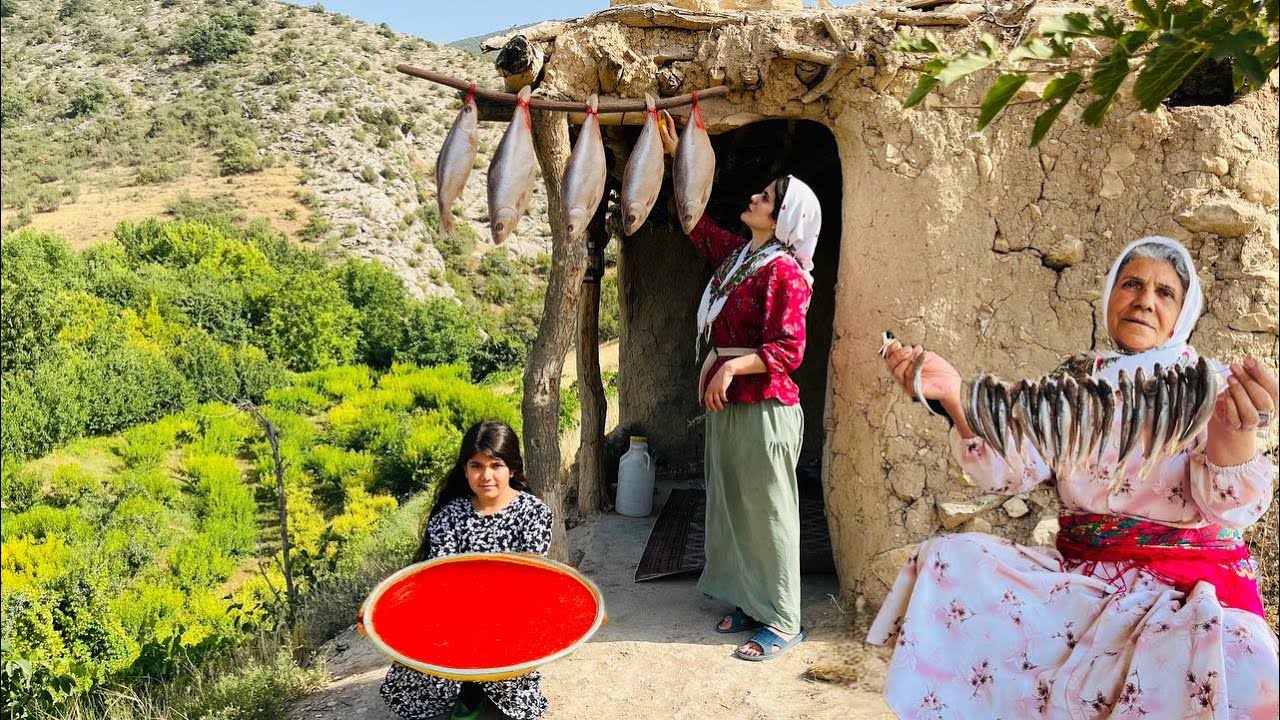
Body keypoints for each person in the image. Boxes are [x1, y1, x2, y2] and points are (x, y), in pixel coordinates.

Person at [871, 237, 1279, 717]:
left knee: (1239, 651)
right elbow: (1013, 470)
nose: (1145, 299)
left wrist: (1233, 435)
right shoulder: (1071, 388)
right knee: (951, 558)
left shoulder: (1210, 388)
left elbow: (1230, 508)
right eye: (1132, 284)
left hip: (1181, 587)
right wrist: (958, 400)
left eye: (1165, 292)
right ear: (1109, 297)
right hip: (1086, 575)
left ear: (1183, 311)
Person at [659, 116, 820, 661]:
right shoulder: (741, 258)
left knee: (769, 510)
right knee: (733, 505)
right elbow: (695, 225)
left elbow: (789, 351)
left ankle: (784, 620)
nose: (754, 196)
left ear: (784, 218)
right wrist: (679, 159)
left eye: (767, 196)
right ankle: (752, 601)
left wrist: (729, 368)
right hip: (731, 405)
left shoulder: (785, 273)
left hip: (764, 406)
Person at [380, 420, 554, 720]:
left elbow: (528, 582)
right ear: (465, 470)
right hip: (456, 616)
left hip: (509, 620)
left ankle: (476, 690)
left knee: (511, 692)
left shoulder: (535, 513)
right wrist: (381, 614)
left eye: (496, 465)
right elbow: (440, 581)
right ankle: (468, 689)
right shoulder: (451, 515)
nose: (486, 475)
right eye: (476, 465)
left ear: (511, 468)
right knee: (425, 673)